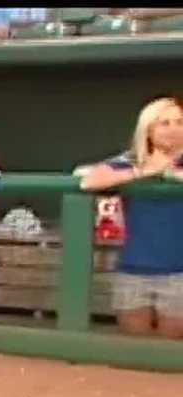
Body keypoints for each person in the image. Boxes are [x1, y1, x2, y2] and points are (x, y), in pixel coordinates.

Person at [78, 97, 183, 339]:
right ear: (148, 129)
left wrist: (173, 174)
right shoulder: (132, 159)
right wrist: (143, 172)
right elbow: (88, 180)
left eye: (179, 122)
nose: (173, 129)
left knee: (171, 347)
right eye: (164, 123)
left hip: (179, 271)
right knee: (134, 347)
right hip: (134, 269)